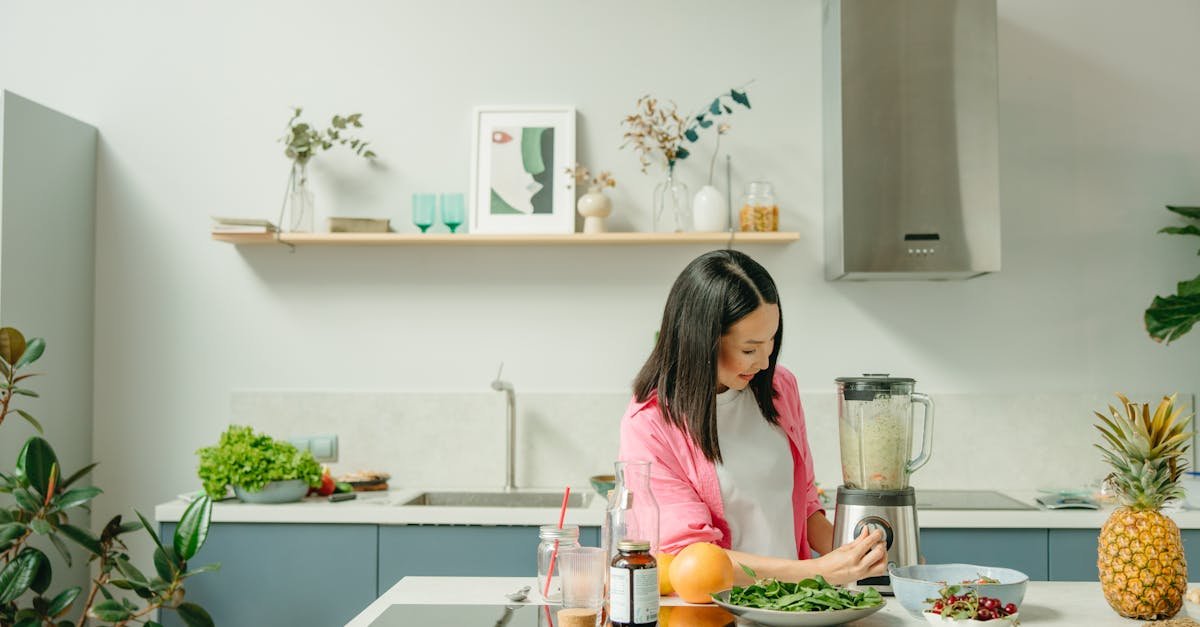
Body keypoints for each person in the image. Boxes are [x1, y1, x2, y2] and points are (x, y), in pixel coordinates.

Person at [618, 250, 887, 585]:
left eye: (771, 342)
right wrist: (818, 572)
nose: (763, 362)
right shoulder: (650, 424)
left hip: (796, 606)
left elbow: (804, 502)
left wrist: (864, 557)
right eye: (749, 349)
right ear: (702, 342)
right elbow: (693, 557)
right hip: (719, 614)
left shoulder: (779, 388)